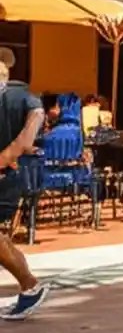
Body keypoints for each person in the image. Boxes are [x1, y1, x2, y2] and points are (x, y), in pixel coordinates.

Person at [0, 55, 50, 319]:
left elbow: (36, 116)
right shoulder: (21, 95)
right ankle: (30, 287)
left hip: (6, 174)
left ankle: (30, 286)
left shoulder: (20, 94)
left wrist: (11, 153)